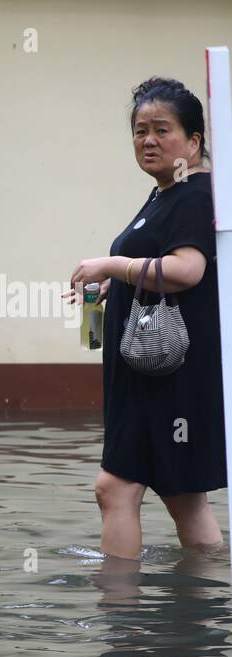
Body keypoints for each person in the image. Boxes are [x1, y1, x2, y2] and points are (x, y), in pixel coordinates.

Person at [69, 77, 224, 561]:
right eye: (140, 130)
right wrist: (118, 286)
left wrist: (112, 265)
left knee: (116, 489)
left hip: (169, 376)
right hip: (149, 377)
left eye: (162, 129)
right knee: (183, 500)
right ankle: (205, 606)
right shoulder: (166, 193)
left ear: (194, 140)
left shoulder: (196, 194)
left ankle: (124, 619)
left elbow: (186, 270)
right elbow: (161, 268)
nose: (148, 140)